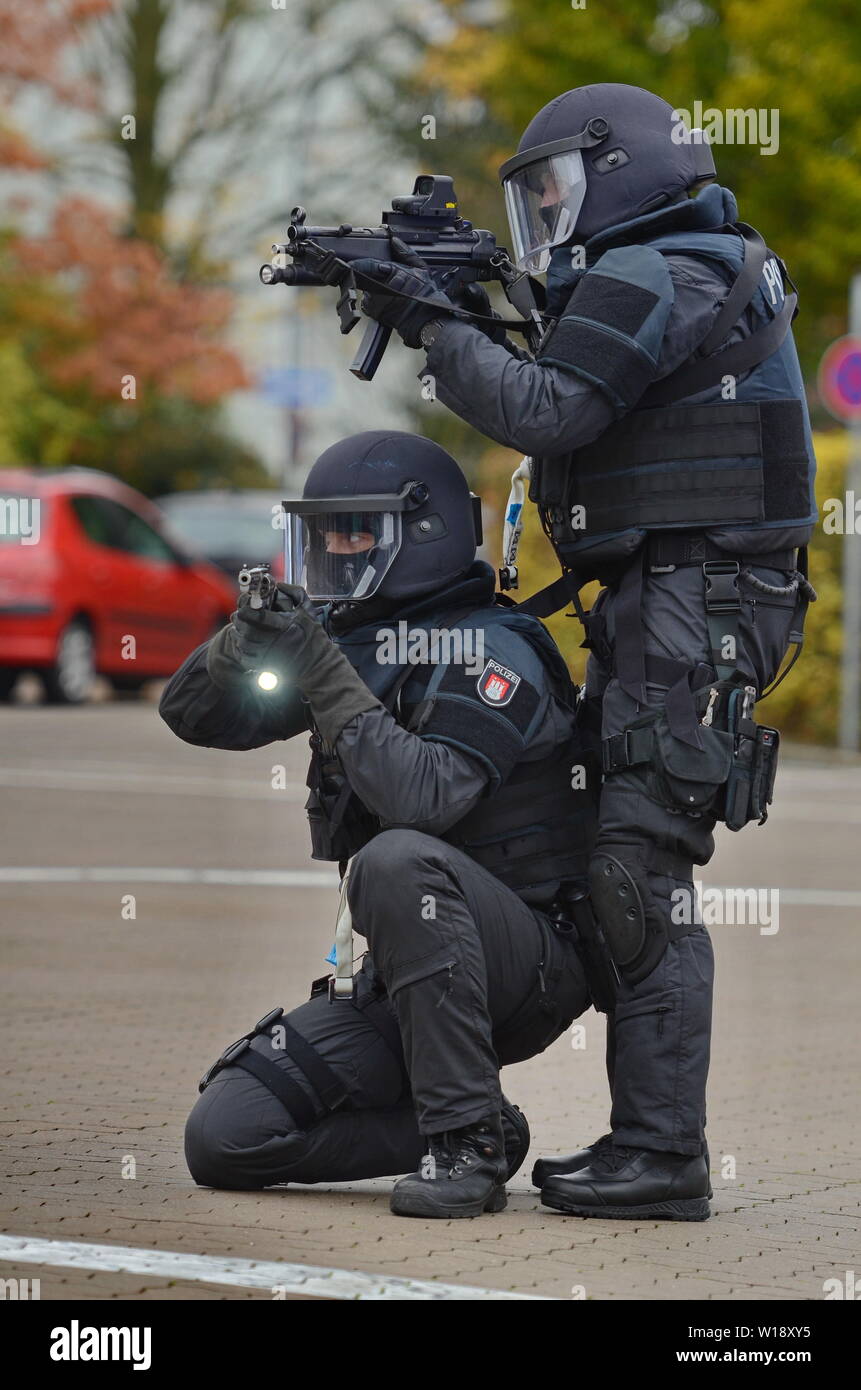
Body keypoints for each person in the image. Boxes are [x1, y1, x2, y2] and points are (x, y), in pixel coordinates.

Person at [351, 83, 817, 1220]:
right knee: (626, 868)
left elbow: (550, 407)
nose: (547, 217)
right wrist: (450, 293)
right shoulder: (695, 260)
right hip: (679, 602)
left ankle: (662, 1155)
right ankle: (652, 1147)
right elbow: (582, 374)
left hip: (693, 610)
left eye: (555, 191)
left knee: (637, 876)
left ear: (621, 169)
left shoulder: (672, 268)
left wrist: (434, 323)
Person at [160, 429, 599, 1219]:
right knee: (225, 1137)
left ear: (423, 534)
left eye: (356, 529)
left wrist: (319, 667)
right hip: (407, 981)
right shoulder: (354, 642)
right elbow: (192, 716)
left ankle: (465, 1142)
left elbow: (424, 799)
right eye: (324, 531)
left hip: (528, 960)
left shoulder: (494, 651)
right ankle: (484, 1127)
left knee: (396, 860)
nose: (336, 547)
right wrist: (245, 641)